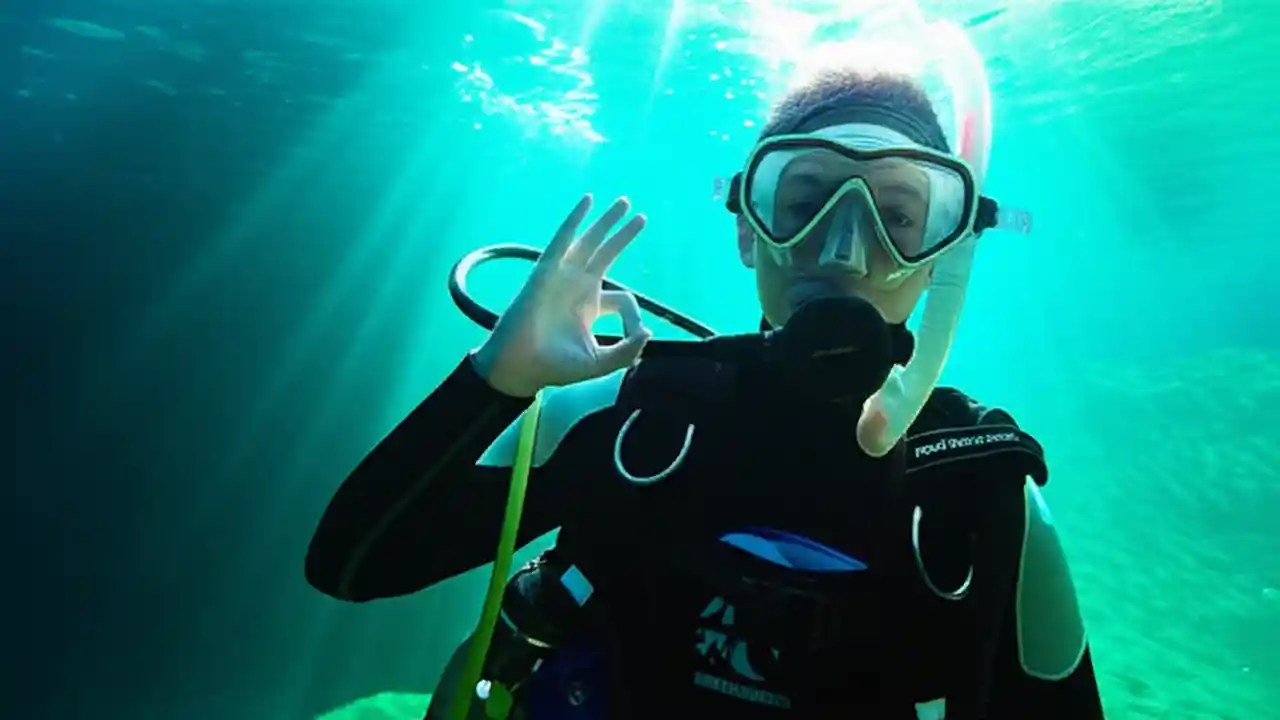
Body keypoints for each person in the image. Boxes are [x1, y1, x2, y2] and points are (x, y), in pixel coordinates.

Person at [305, 16, 1105, 720]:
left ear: (942, 259)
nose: (845, 249)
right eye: (804, 202)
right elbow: (353, 566)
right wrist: (497, 379)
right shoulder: (632, 416)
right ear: (749, 232)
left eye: (897, 216)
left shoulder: (981, 496)